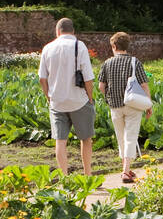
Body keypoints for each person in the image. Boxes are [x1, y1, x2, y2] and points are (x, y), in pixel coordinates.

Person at [38, 17, 96, 177]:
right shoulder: (80, 45)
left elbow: (42, 78)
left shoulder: (48, 48)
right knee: (86, 139)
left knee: (60, 141)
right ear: (73, 31)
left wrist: (48, 97)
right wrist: (90, 98)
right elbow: (88, 78)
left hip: (57, 102)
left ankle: (64, 177)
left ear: (57, 32)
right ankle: (87, 175)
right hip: (78, 100)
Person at [98, 32, 152, 184]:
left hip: (115, 106)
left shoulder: (107, 63)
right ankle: (125, 172)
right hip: (133, 105)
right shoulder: (135, 62)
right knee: (131, 137)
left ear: (114, 46)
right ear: (127, 46)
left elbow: (101, 86)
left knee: (121, 138)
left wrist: (109, 96)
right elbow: (144, 85)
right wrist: (148, 103)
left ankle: (126, 168)